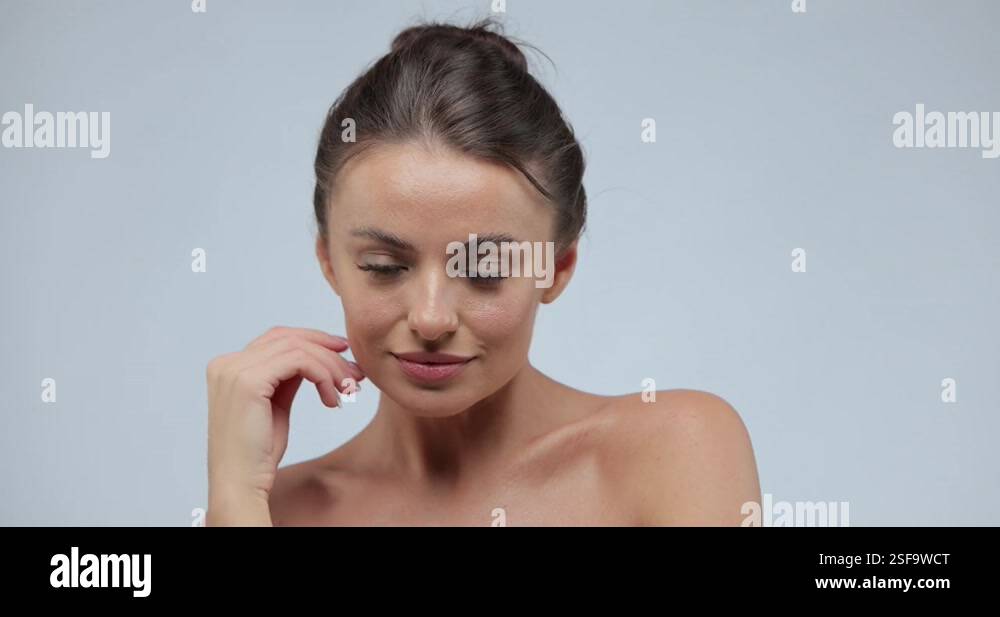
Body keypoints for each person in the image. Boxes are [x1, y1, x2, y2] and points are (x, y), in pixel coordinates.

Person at [206, 18, 761, 526]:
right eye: (385, 266)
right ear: (329, 261)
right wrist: (233, 499)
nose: (430, 318)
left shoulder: (673, 448)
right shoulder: (277, 509)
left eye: (485, 268)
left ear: (558, 267)